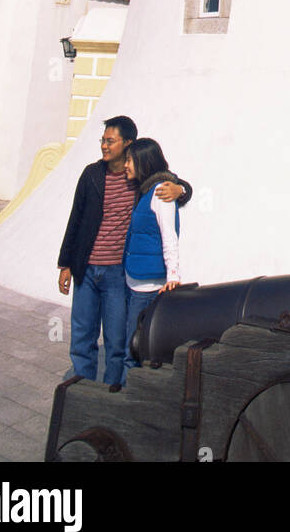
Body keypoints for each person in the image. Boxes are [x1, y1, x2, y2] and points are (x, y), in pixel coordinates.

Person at [57, 115, 192, 389]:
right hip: (86, 268)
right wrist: (66, 264)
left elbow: (175, 184)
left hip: (118, 273)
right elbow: (76, 219)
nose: (104, 146)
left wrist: (181, 189)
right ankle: (80, 391)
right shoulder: (92, 175)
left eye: (110, 141)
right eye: (102, 141)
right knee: (82, 336)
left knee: (117, 340)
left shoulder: (139, 179)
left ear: (127, 144)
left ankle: (111, 392)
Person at [122, 137, 182, 376]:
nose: (126, 165)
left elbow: (169, 236)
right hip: (135, 279)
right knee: (131, 343)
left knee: (134, 350)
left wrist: (173, 275)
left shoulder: (160, 193)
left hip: (148, 285)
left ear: (143, 161)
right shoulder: (146, 191)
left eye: (129, 160)